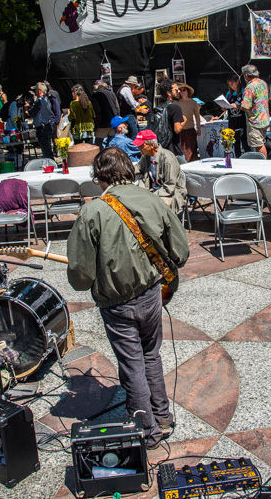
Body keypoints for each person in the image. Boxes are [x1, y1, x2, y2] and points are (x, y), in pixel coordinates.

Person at [66, 147, 189, 448]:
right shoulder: (151, 198)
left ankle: (147, 430)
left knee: (132, 363)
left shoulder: (92, 211)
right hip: (151, 294)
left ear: (99, 177)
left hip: (117, 304)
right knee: (151, 355)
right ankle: (162, 415)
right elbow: (181, 252)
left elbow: (80, 278)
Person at [133, 130, 187, 214]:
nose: (138, 148)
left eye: (141, 145)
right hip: (153, 191)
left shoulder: (167, 158)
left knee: (152, 207)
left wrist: (150, 195)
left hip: (171, 194)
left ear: (152, 145)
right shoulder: (146, 156)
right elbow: (138, 168)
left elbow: (169, 188)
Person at [240, 64, 270, 157]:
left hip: (255, 121)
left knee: (258, 145)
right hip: (264, 118)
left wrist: (235, 106)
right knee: (261, 142)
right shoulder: (263, 83)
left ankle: (264, 164)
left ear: (246, 75)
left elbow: (246, 106)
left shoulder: (250, 87)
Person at [29, 82, 56, 160]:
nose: (35, 92)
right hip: (47, 125)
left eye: (36, 90)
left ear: (40, 91)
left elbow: (33, 113)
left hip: (42, 128)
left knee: (45, 149)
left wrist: (28, 109)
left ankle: (49, 164)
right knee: (48, 148)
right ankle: (51, 162)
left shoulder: (39, 100)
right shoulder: (47, 100)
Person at [224, 74, 249, 157]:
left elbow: (247, 107)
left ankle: (249, 159)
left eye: (232, 84)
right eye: (229, 85)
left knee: (245, 143)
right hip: (232, 121)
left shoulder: (243, 92)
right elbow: (227, 106)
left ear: (237, 81)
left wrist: (237, 106)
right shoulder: (229, 93)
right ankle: (238, 159)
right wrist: (224, 107)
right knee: (236, 144)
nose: (231, 86)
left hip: (242, 121)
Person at [176, 83, 201, 162]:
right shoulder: (176, 102)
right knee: (181, 150)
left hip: (190, 129)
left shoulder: (193, 103)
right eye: (181, 90)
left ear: (188, 91)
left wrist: (198, 128)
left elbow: (197, 116)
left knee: (191, 150)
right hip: (179, 130)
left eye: (184, 90)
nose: (182, 92)